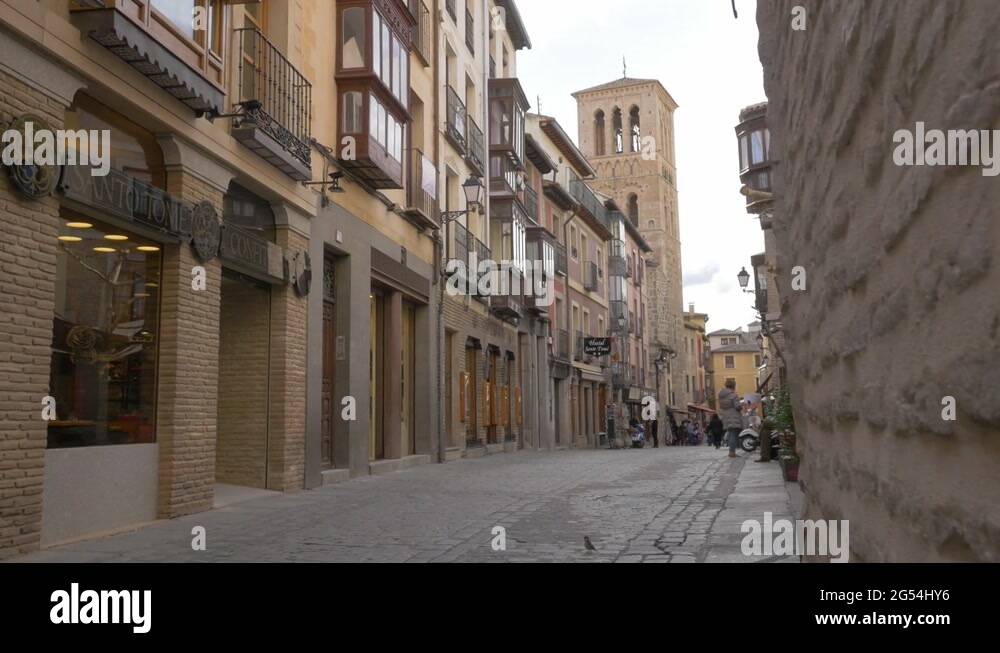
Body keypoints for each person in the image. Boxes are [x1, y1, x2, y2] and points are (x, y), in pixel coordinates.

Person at [718, 379, 743, 458]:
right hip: (733, 415)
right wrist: (741, 404)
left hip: (725, 415)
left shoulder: (721, 395)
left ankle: (732, 451)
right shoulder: (733, 395)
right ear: (733, 386)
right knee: (733, 434)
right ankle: (732, 452)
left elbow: (722, 406)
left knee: (731, 433)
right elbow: (737, 406)